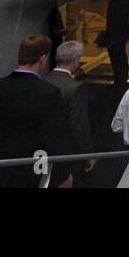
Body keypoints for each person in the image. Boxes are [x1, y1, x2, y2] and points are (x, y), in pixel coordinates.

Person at [0, 35, 74, 188]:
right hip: (28, 173)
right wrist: (62, 175)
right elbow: (54, 137)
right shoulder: (48, 93)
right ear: (43, 58)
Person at [46, 40, 96, 184]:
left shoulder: (44, 81)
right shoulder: (75, 87)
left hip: (46, 151)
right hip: (69, 152)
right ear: (75, 60)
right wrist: (88, 154)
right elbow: (79, 125)